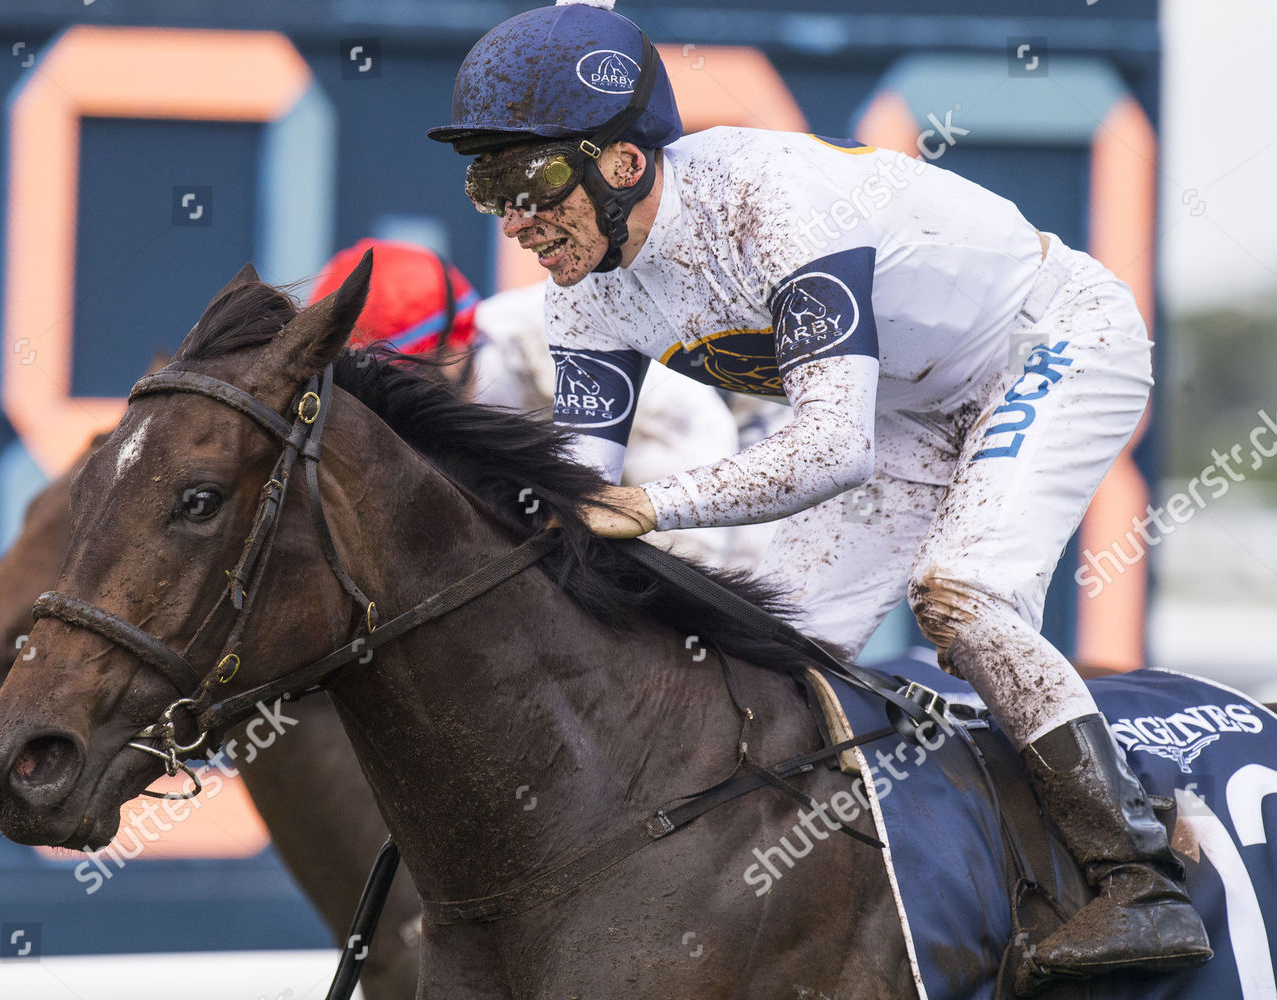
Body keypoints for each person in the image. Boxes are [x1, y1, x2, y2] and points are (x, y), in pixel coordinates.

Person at [426, 0, 1210, 991]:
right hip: (908, 403)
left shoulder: (770, 208)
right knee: (784, 645)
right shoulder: (585, 290)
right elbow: (576, 491)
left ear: (622, 161)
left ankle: (1136, 875)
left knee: (959, 596)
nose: (512, 216)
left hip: (1049, 345)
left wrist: (653, 505)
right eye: (484, 179)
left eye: (525, 176)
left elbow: (827, 451)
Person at [310, 238, 773, 568]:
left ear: (455, 340)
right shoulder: (465, 359)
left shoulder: (577, 337)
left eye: (404, 384)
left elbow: (695, 540)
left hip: (765, 477)